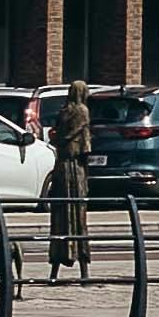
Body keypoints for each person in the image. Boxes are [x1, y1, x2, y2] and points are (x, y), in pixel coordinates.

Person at [47, 78, 94, 279]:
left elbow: (57, 136)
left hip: (61, 167)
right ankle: (83, 268)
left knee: (60, 217)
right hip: (75, 169)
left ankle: (55, 270)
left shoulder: (63, 112)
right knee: (78, 215)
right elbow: (85, 148)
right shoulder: (82, 112)